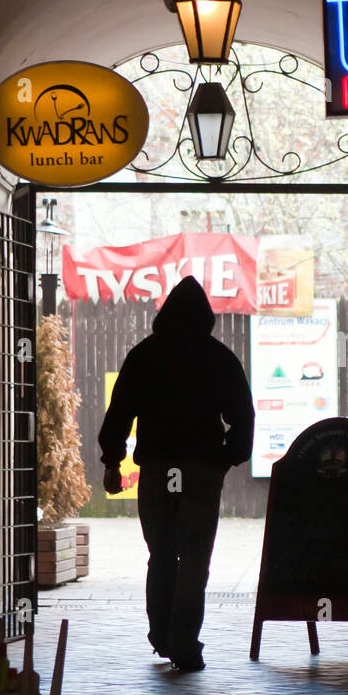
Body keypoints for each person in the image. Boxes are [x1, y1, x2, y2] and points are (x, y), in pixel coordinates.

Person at [98, 277, 254, 673]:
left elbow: (119, 414)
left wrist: (113, 462)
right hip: (202, 470)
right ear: (205, 317)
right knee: (195, 559)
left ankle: (161, 636)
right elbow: (243, 416)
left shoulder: (144, 356)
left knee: (162, 554)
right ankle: (184, 642)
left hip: (157, 471)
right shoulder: (220, 359)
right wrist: (227, 459)